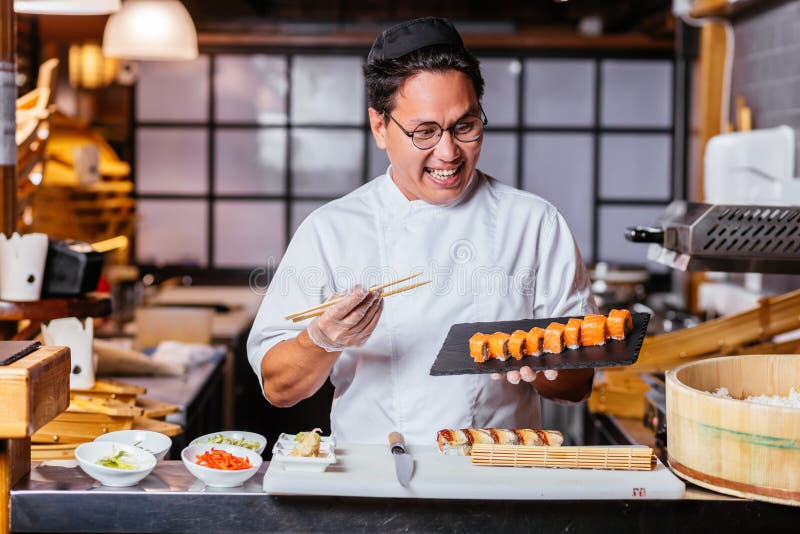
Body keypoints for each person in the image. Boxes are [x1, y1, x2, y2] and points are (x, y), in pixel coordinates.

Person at [247, 17, 596, 445]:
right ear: (380, 127)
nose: (448, 153)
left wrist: (545, 370)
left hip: (496, 486)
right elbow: (278, 388)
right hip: (372, 486)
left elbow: (578, 384)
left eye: (465, 126)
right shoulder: (331, 230)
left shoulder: (535, 224)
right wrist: (322, 338)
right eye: (425, 132)